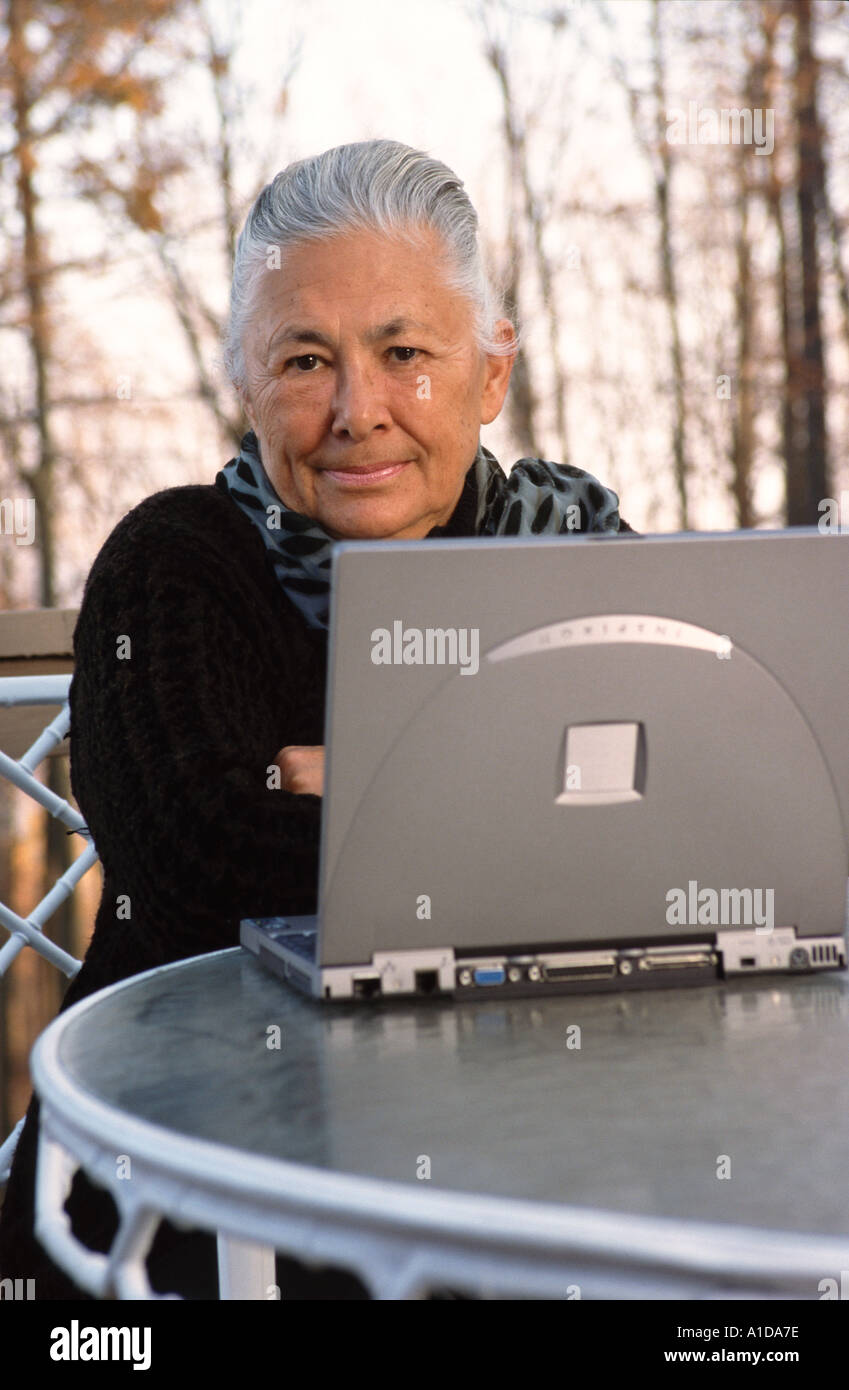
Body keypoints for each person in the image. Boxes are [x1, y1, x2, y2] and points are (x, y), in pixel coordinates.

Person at [0, 138, 635, 1300]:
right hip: (180, 1193)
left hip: (523, 1173)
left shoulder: (579, 558)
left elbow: (693, 842)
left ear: (491, 372)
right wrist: (534, 803)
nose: (357, 411)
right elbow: (202, 860)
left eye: (405, 353)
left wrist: (344, 778)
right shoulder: (177, 562)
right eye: (304, 359)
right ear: (247, 379)